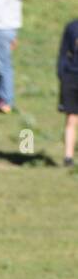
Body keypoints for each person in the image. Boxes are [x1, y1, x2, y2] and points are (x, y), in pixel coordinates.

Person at [57, 17, 78, 167]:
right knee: (71, 118)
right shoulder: (71, 27)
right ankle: (68, 157)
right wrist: (62, 74)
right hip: (71, 77)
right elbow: (63, 53)